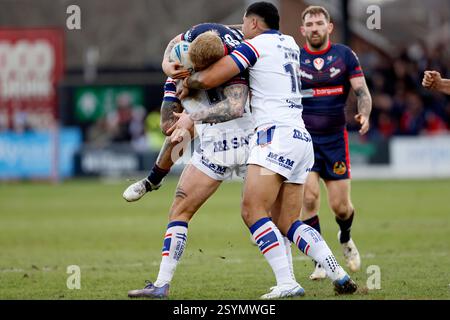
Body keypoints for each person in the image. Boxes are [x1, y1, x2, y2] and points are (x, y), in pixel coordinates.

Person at [174, 2, 357, 298]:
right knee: (288, 222)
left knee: (251, 211)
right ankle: (338, 273)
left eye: (245, 24)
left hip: (274, 137)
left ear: (255, 24)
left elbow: (211, 77)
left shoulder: (254, 47)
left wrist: (188, 80)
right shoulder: (290, 44)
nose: (243, 29)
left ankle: (287, 283)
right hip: (300, 138)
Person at [127, 26, 257, 299]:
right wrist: (170, 71)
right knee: (180, 209)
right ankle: (161, 285)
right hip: (215, 145)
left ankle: (311, 270)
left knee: (265, 216)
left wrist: (193, 115)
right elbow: (166, 124)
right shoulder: (185, 52)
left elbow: (235, 106)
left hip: (249, 141)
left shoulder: (236, 61)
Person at [122, 23, 248, 202]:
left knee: (190, 126)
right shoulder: (199, 31)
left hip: (218, 85)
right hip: (182, 72)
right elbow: (174, 41)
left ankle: (151, 180)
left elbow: (236, 105)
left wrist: (192, 114)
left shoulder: (235, 55)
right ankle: (154, 180)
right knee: (169, 127)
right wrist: (166, 64)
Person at [297, 6, 372, 280]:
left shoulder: (344, 55)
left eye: (319, 23)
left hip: (335, 140)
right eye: (309, 24)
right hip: (304, 141)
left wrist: (365, 112)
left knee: (341, 206)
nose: (315, 28)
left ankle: (345, 237)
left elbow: (362, 91)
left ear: (329, 27)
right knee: (308, 197)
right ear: (302, 30)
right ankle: (320, 258)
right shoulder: (295, 59)